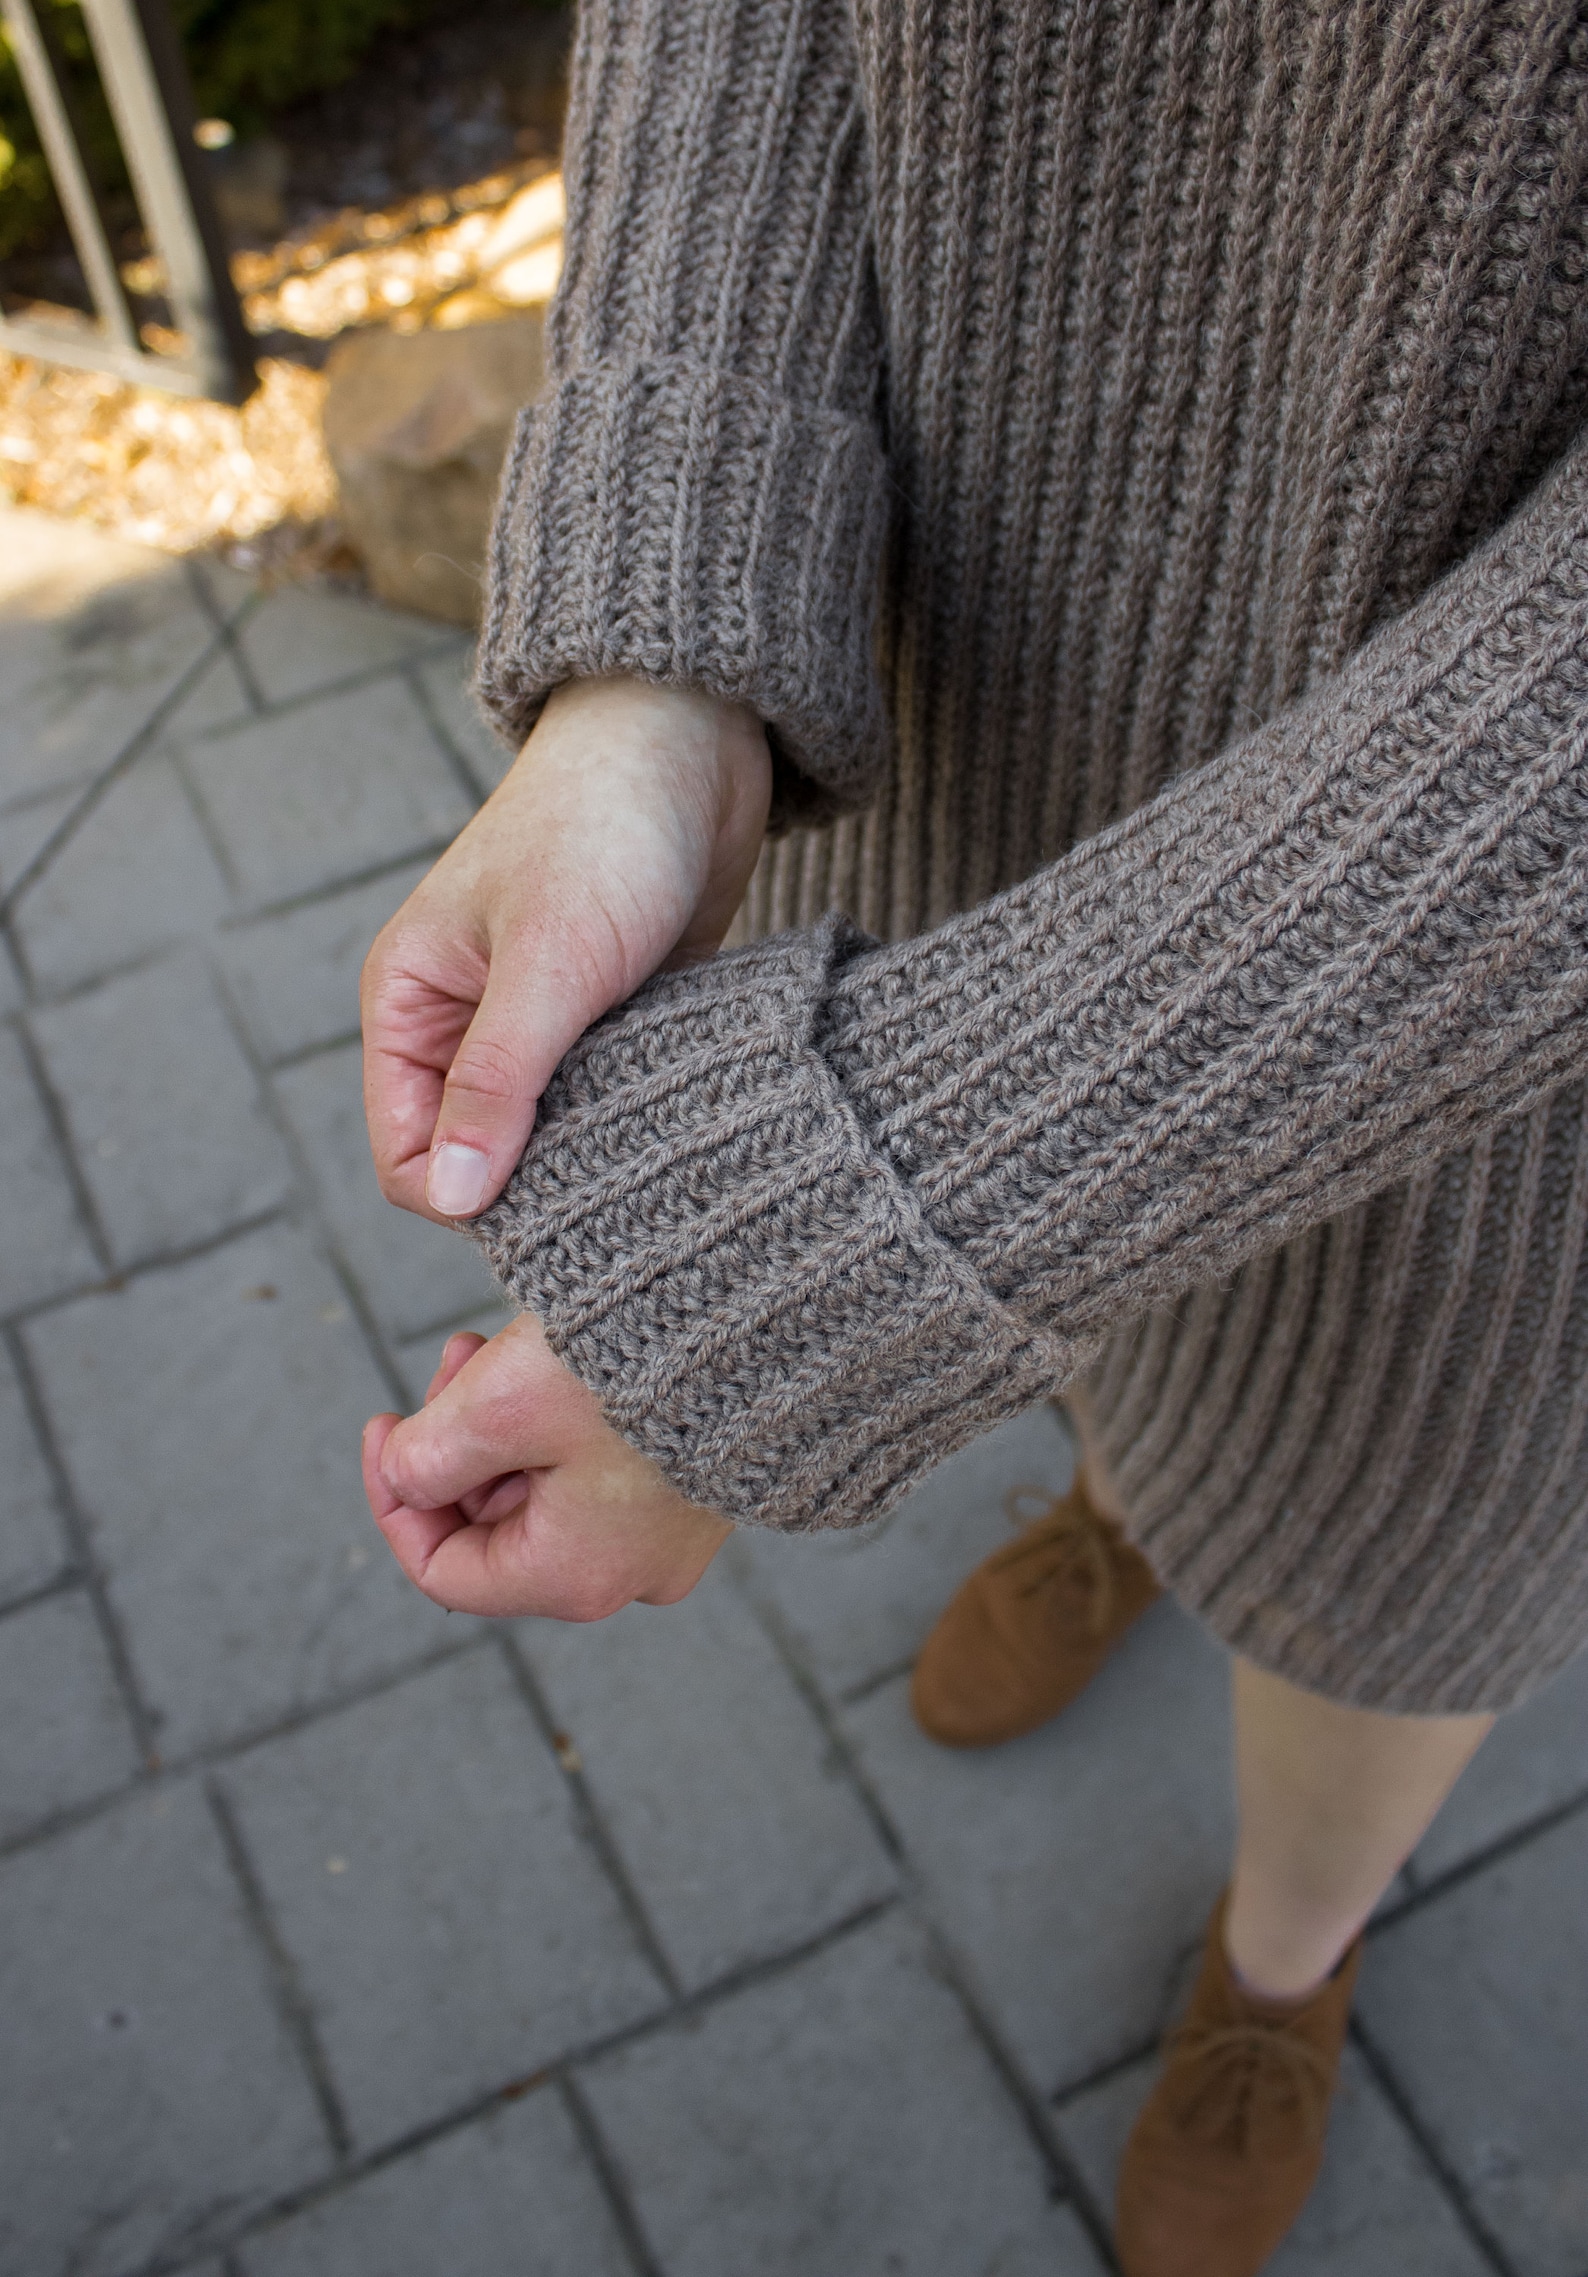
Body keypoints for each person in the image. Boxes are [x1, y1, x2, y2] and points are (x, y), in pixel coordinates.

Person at [358, 3, 1588, 2269]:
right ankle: (1120, 1507)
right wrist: (657, 670)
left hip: (1507, 990)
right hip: (993, 672)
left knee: (1379, 1558)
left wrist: (797, 1264)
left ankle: (1279, 1963)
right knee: (1123, 1353)